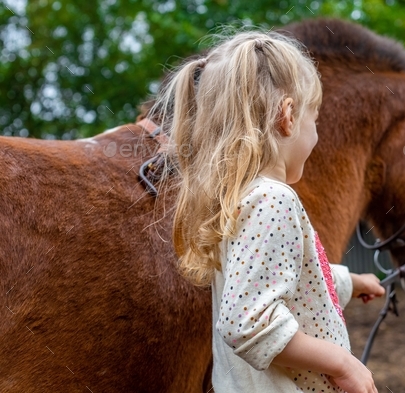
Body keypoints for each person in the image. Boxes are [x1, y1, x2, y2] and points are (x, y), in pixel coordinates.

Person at [152, 29, 385, 393]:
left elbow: (290, 281)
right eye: (315, 119)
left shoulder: (236, 200)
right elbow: (249, 323)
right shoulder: (273, 200)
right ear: (288, 116)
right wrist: (343, 364)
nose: (317, 135)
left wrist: (353, 282)